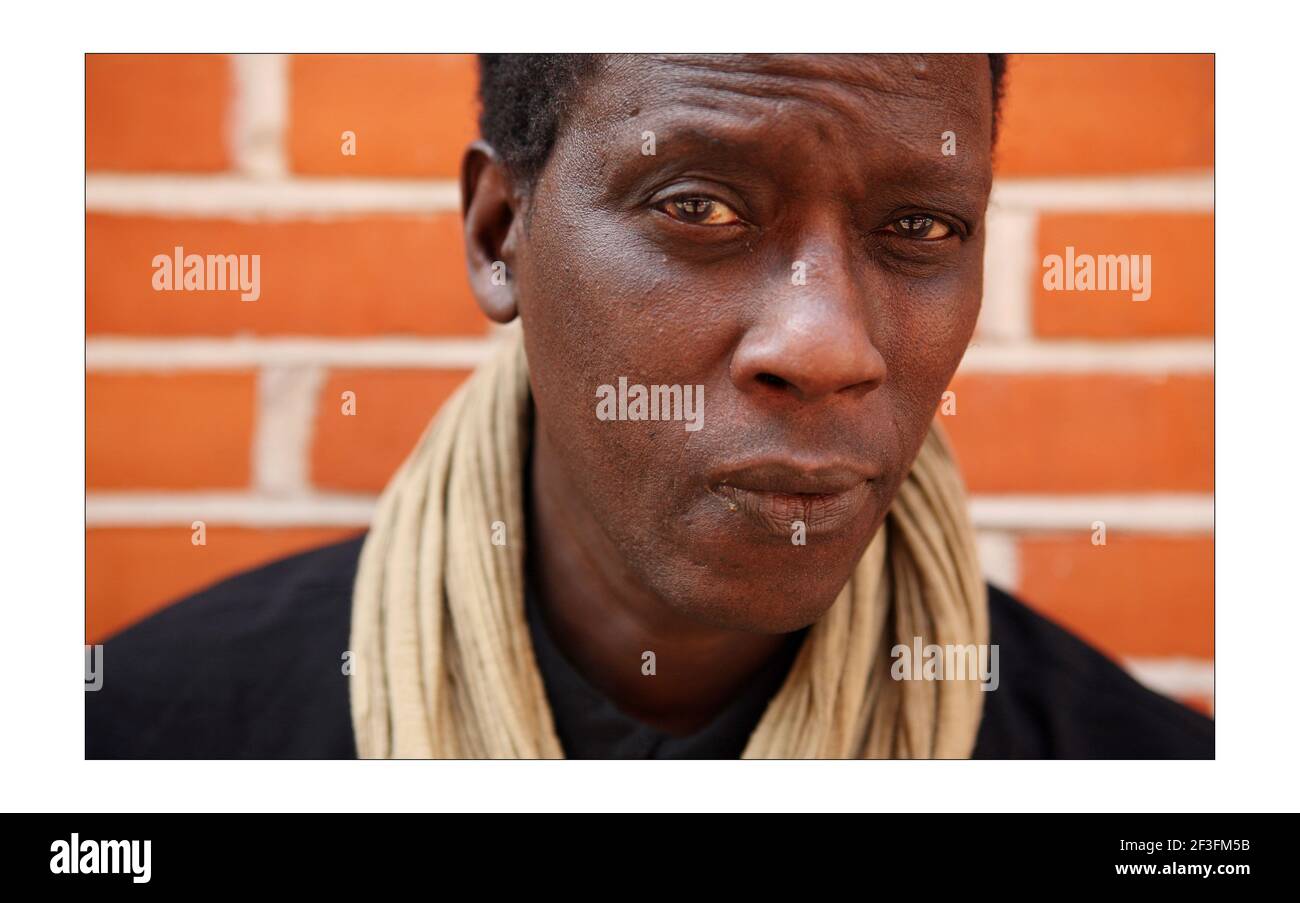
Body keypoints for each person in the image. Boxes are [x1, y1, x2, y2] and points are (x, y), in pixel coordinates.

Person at [87, 53, 1213, 759]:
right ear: (498, 234)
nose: (824, 345)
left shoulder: (1135, 780)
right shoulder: (143, 746)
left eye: (918, 228)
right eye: (697, 205)